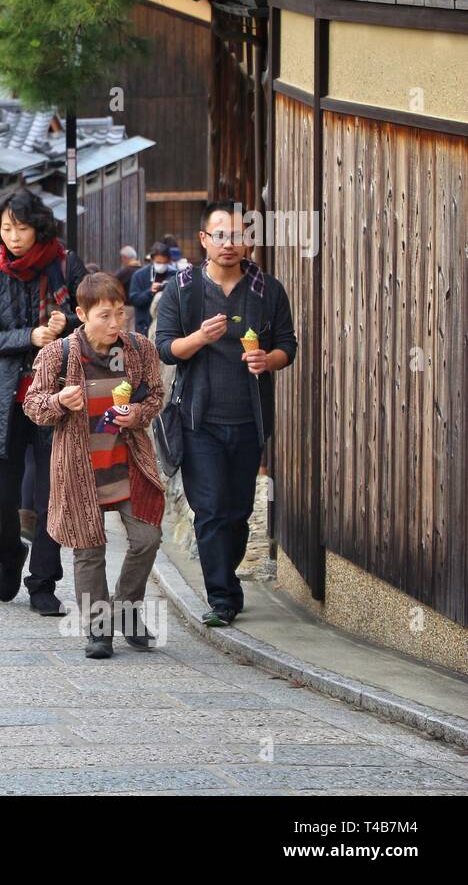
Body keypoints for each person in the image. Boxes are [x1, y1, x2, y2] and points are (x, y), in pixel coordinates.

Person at [154, 201, 297, 627]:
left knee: (236, 513)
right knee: (212, 508)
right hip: (199, 420)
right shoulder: (183, 288)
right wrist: (198, 337)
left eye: (238, 235)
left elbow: (288, 346)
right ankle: (222, 598)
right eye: (221, 235)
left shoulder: (267, 290)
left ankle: (226, 573)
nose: (229, 243)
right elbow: (165, 347)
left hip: (249, 419)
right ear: (204, 240)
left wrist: (267, 361)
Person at [25, 273, 165, 658]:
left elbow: (155, 396)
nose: (116, 323)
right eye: (105, 315)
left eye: (120, 313)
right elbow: (33, 405)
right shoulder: (60, 354)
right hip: (80, 468)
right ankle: (99, 630)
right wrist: (60, 402)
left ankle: (127, 606)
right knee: (89, 550)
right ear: (81, 314)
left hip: (127, 463)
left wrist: (136, 413)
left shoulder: (139, 350)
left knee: (147, 538)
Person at [0, 188, 88, 615]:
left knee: (50, 496)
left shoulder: (64, 264)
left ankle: (44, 582)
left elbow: (88, 315)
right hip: (4, 395)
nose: (13, 237)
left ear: (38, 228)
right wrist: (30, 336)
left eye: (21, 228)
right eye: (6, 228)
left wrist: (67, 322)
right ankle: (8, 554)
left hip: (57, 394)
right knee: (0, 499)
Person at [129, 243, 175, 337]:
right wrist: (150, 292)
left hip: (168, 327)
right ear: (152, 259)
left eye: (164, 262)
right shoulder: (139, 275)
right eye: (158, 262)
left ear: (169, 260)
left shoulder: (174, 275)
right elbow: (134, 299)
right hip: (144, 326)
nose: (161, 265)